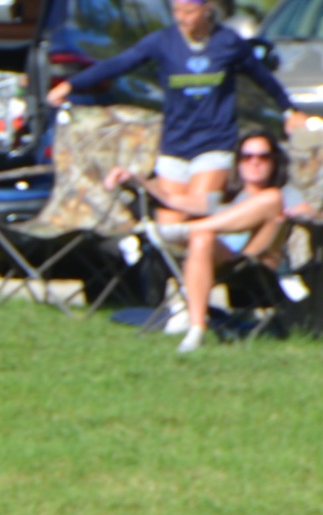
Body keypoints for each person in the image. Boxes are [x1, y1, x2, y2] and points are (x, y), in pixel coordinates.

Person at [46, 0, 306, 223]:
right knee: (170, 227)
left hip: (214, 143)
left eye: (189, 12)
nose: (182, 19)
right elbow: (119, 63)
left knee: (196, 214)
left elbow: (263, 79)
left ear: (207, 9)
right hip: (175, 143)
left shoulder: (228, 42)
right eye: (177, 11)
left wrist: (289, 110)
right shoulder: (163, 41)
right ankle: (177, 277)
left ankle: (204, 273)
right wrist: (70, 85)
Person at [149, 133, 316, 351]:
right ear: (238, 163)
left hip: (258, 259)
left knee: (271, 198)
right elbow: (172, 199)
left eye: (263, 157)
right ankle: (197, 328)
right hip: (222, 259)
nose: (254, 162)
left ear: (274, 161)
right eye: (247, 157)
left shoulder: (285, 192)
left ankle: (187, 230)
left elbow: (311, 213)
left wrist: (301, 212)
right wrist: (134, 178)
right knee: (202, 239)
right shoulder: (226, 197)